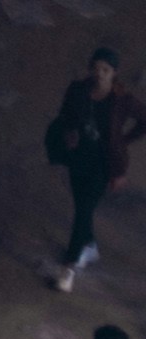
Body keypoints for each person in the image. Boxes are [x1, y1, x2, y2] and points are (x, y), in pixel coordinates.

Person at [49, 49, 138, 285]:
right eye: (96, 69)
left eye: (105, 70)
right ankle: (89, 246)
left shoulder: (122, 100)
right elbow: (65, 114)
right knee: (81, 206)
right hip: (79, 158)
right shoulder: (78, 90)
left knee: (84, 209)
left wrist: (124, 140)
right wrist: (68, 134)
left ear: (114, 73)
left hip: (103, 163)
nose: (100, 74)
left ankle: (69, 266)